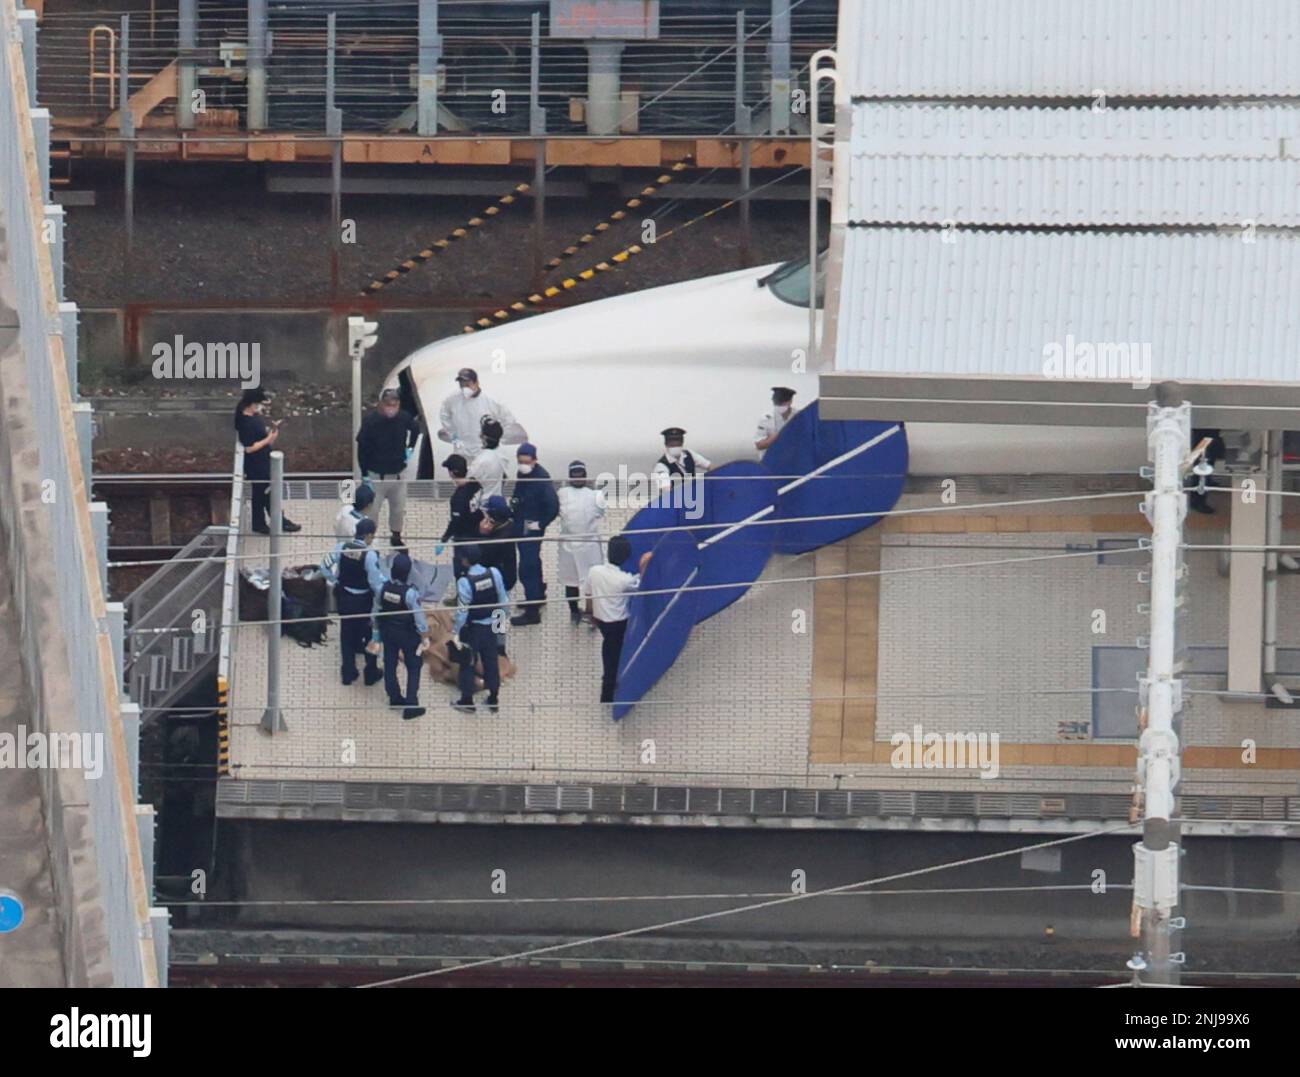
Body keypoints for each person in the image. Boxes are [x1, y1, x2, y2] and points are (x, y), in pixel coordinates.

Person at [582, 534, 652, 704]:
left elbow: (588, 594)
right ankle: (610, 692)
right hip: (619, 623)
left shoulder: (594, 571)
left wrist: (590, 614)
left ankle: (609, 688)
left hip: (601, 620)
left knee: (609, 650)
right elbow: (642, 586)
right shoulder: (624, 580)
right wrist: (644, 564)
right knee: (614, 655)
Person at [318, 517, 386, 687]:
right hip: (363, 601)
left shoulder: (341, 547)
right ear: (369, 535)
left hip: (344, 598)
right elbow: (376, 584)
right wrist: (380, 604)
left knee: (346, 634)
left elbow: (324, 566)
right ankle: (370, 672)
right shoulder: (370, 555)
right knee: (370, 635)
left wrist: (335, 580)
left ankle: (348, 673)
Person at [357, 388, 422, 548]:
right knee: (372, 513)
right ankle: (369, 540)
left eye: (394, 404)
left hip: (398, 475)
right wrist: (364, 473)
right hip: (376, 476)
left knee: (398, 510)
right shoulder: (370, 421)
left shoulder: (403, 417)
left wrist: (411, 447)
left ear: (399, 404)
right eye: (388, 404)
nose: (391, 408)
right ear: (381, 404)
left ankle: (396, 536)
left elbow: (415, 429)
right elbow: (362, 448)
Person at [234, 387, 301, 534]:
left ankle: (261, 523)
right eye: (258, 404)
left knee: (261, 494)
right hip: (257, 465)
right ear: (251, 404)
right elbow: (249, 447)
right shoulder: (246, 423)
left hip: (262, 461)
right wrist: (269, 439)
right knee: (266, 493)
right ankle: (277, 522)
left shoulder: (252, 416)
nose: (260, 407)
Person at [450, 544, 508, 714]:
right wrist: (500, 628)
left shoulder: (464, 582)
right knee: (491, 661)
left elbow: (462, 611)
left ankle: (467, 701)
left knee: (468, 663)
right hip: (491, 627)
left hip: (473, 629)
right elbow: (503, 601)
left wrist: (456, 632)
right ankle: (493, 697)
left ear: (466, 561)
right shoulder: (494, 573)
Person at [373, 551, 429, 720]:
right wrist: (425, 637)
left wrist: (376, 634)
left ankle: (394, 698)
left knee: (389, 663)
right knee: (414, 666)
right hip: (407, 634)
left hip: (388, 632)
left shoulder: (381, 588)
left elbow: (376, 611)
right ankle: (411, 706)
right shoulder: (410, 594)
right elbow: (419, 619)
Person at [509, 443, 559, 626]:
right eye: (519, 462)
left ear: (534, 460)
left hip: (531, 527)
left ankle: (532, 612)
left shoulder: (542, 479)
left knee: (527, 567)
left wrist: (540, 524)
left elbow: (553, 506)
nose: (522, 465)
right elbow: (519, 492)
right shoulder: (524, 473)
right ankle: (536, 595)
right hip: (521, 524)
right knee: (532, 562)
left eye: (526, 462)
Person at [437, 368, 527, 460]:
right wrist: (454, 437)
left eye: (468, 384)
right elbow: (444, 416)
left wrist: (495, 439)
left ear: (476, 383)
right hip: (462, 453)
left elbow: (509, 421)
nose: (465, 388)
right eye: (462, 385)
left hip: (485, 453)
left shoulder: (491, 400)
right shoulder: (453, 399)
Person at [556, 460, 606, 623]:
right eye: (574, 476)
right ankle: (574, 611)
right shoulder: (562, 494)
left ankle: (591, 611)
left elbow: (600, 512)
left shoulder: (595, 495)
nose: (577, 479)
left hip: (589, 545)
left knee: (591, 580)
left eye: (580, 476)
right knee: (571, 581)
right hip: (569, 545)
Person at [437, 453, 483, 569]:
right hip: (478, 532)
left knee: (461, 568)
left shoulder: (458, 498)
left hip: (463, 538)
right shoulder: (475, 483)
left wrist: (444, 539)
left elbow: (455, 523)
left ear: (452, 473)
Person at [477, 495, 518, 608]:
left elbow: (482, 557)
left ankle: (497, 624)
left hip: (499, 580)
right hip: (507, 575)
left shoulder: (498, 539)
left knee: (496, 609)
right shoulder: (509, 525)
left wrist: (482, 534)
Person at [653, 426, 712, 494]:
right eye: (672, 443)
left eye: (678, 442)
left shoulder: (690, 454)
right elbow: (666, 491)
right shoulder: (661, 466)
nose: (675, 445)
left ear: (682, 442)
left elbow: (709, 466)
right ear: (666, 444)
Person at [468, 417, 512, 502]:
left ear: (484, 437)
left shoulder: (481, 460)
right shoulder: (503, 456)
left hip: (484, 505)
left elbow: (469, 480)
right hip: (499, 501)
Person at [755, 387, 797, 451]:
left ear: (790, 401)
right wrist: (775, 437)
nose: (778, 406)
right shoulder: (765, 418)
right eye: (776, 403)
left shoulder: (799, 416)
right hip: (771, 458)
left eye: (781, 404)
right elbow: (759, 445)